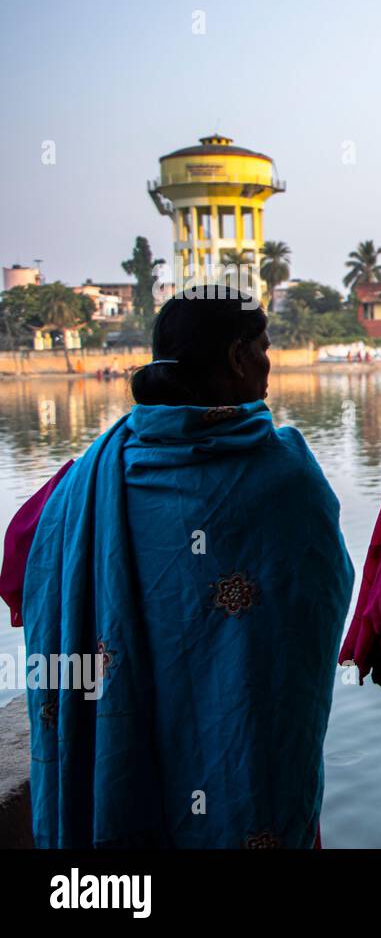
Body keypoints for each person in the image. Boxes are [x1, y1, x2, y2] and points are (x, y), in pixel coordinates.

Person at [5, 287, 353, 848]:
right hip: (237, 746)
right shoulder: (280, 474)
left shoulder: (93, 471)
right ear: (239, 358)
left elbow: (23, 554)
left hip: (126, 732)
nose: (268, 364)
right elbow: (319, 591)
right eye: (262, 348)